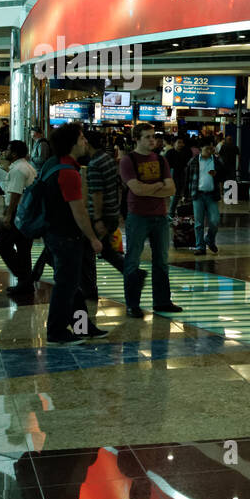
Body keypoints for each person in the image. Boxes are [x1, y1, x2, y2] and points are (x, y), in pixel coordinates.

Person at [40, 123, 106, 344]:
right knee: (65, 286)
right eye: (81, 138)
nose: (85, 141)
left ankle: (81, 327)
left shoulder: (53, 163)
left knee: (72, 284)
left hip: (54, 234)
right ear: (72, 144)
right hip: (65, 237)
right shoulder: (68, 173)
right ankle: (56, 331)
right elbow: (78, 211)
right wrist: (93, 238)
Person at [120, 123, 181, 319]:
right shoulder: (128, 161)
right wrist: (159, 185)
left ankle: (162, 301)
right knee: (133, 260)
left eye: (153, 136)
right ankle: (132, 304)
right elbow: (136, 189)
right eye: (147, 137)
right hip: (138, 216)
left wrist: (149, 187)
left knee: (162, 261)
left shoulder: (161, 160)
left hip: (160, 216)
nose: (152, 140)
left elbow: (171, 189)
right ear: (136, 139)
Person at [85, 130, 141, 300]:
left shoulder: (95, 163)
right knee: (107, 251)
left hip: (102, 215)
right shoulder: (108, 159)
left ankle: (90, 289)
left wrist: (97, 218)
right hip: (112, 212)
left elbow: (97, 193)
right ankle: (133, 275)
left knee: (88, 253)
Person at [0, 140, 36, 298]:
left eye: (8, 149)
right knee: (24, 248)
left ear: (14, 153)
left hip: (18, 213)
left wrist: (8, 215)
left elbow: (15, 194)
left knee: (3, 245)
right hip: (26, 213)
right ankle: (25, 284)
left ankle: (25, 278)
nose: (5, 152)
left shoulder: (18, 169)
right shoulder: (28, 167)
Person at [187, 138, 223, 256]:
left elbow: (224, 174)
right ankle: (200, 246)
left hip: (212, 195)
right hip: (198, 195)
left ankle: (209, 239)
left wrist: (217, 175)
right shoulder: (193, 161)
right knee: (199, 223)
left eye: (211, 148)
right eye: (207, 148)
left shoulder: (216, 161)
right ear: (201, 149)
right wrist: (186, 195)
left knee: (215, 220)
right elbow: (188, 178)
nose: (209, 150)